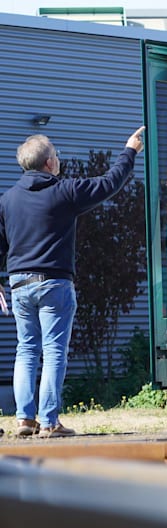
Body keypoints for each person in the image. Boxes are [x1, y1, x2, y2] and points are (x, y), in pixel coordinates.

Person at [0, 128, 144, 438]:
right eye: (57, 155)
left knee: (26, 349)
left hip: (19, 284)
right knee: (53, 351)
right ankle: (50, 421)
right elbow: (108, 184)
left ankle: (25, 419)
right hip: (53, 283)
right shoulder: (64, 192)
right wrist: (129, 151)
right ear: (50, 163)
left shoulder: (7, 201)